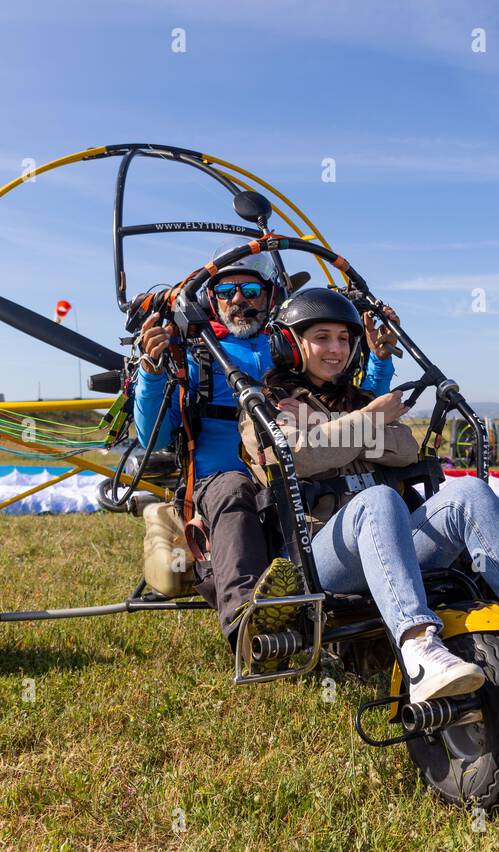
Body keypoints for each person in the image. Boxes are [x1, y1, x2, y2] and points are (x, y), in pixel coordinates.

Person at [240, 288, 499, 702]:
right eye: (322, 337)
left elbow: (405, 448)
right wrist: (370, 422)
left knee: (470, 491)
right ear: (290, 343)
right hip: (322, 555)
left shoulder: (358, 398)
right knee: (377, 500)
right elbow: (295, 458)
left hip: (390, 543)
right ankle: (420, 651)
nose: (336, 348)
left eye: (344, 338)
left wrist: (334, 432)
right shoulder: (264, 404)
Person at [133, 248, 398, 649]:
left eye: (252, 289)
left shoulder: (292, 351)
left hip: (299, 469)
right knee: (234, 489)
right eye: (227, 290)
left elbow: (358, 417)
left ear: (270, 298)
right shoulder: (195, 355)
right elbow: (153, 434)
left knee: (369, 474)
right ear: (211, 299)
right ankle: (249, 622)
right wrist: (152, 375)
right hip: (224, 479)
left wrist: (378, 363)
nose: (240, 299)